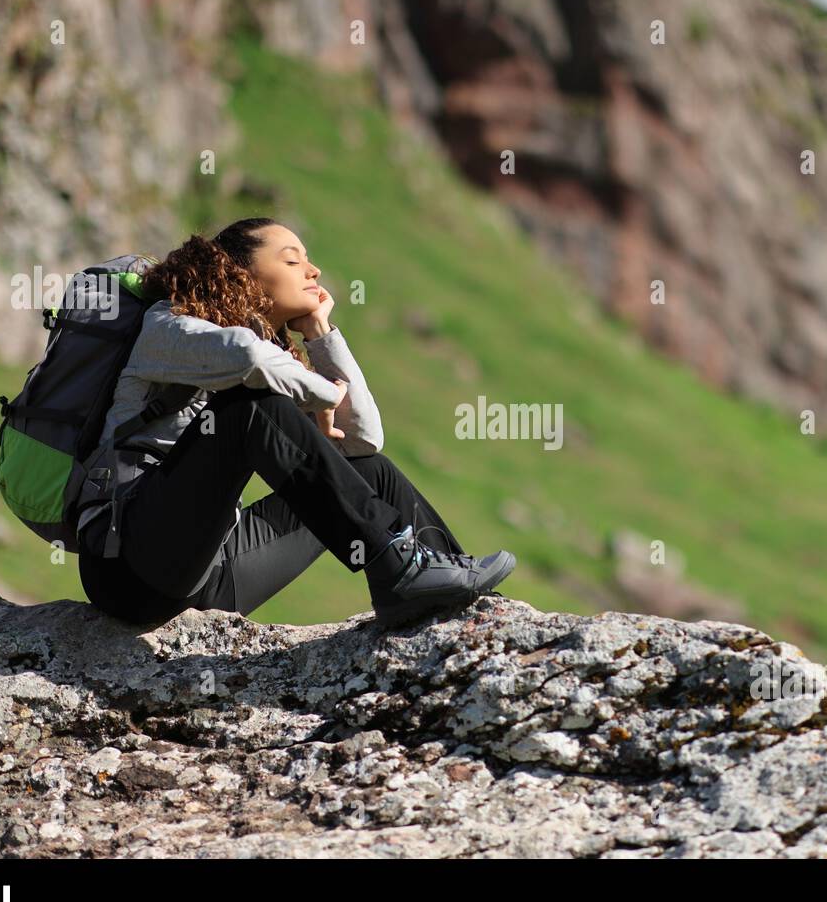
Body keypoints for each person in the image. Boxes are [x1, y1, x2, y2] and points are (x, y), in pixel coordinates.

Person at [76, 217, 514, 627]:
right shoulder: (169, 325)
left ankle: (442, 594)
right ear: (240, 273)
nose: (314, 270)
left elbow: (363, 439)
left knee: (370, 471)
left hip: (212, 576)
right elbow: (246, 357)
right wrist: (321, 391)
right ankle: (395, 562)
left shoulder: (275, 360)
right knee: (248, 406)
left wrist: (320, 333)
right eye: (292, 260)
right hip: (127, 564)